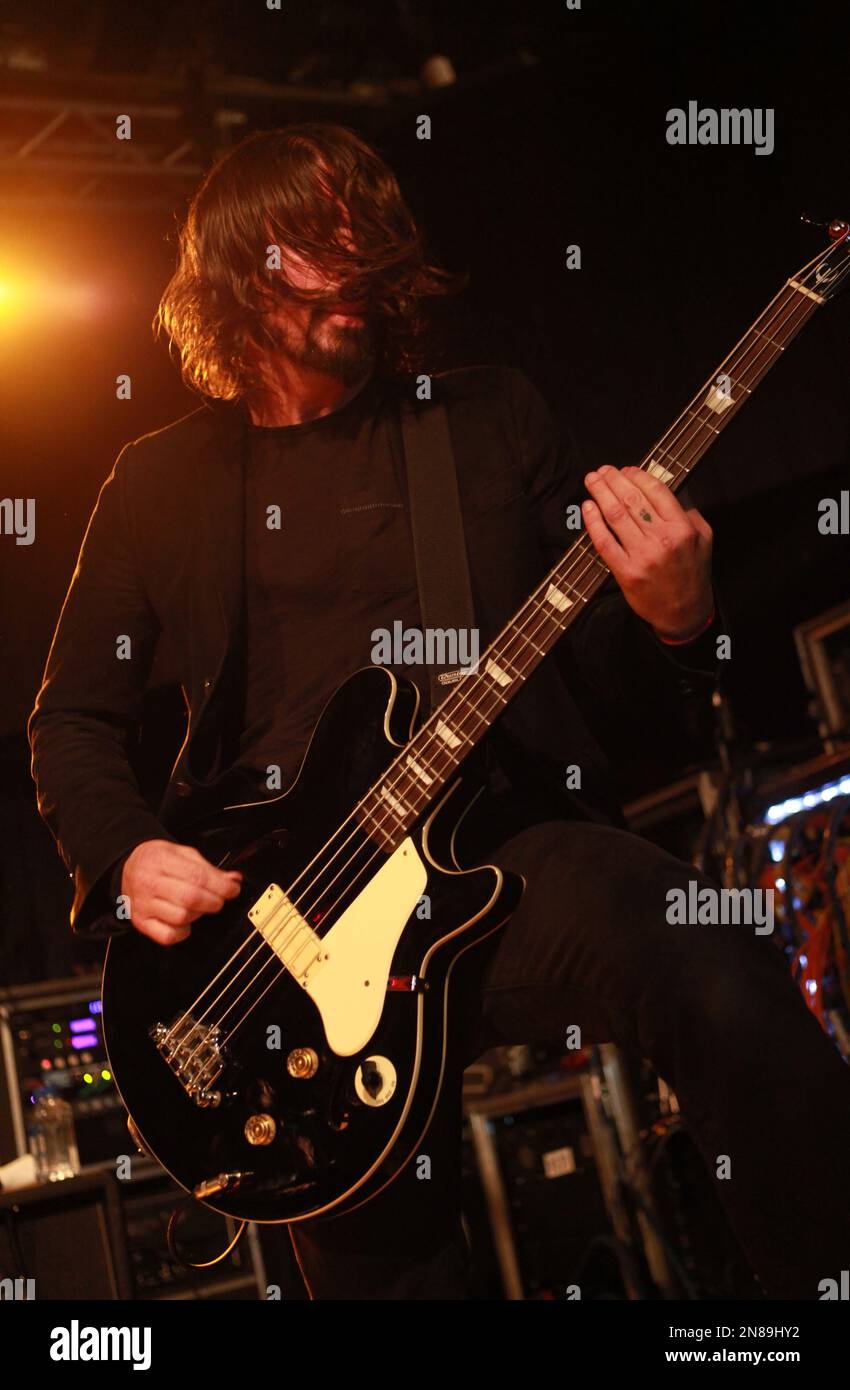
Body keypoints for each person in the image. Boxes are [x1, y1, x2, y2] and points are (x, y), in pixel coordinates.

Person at [29, 123, 850, 1300]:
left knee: (712, 959)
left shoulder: (486, 417)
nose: (355, 264)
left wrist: (678, 620)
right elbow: (71, 720)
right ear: (238, 268)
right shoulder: (160, 482)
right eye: (316, 242)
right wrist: (126, 855)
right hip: (271, 932)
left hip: (501, 849)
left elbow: (618, 693)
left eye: (366, 236)